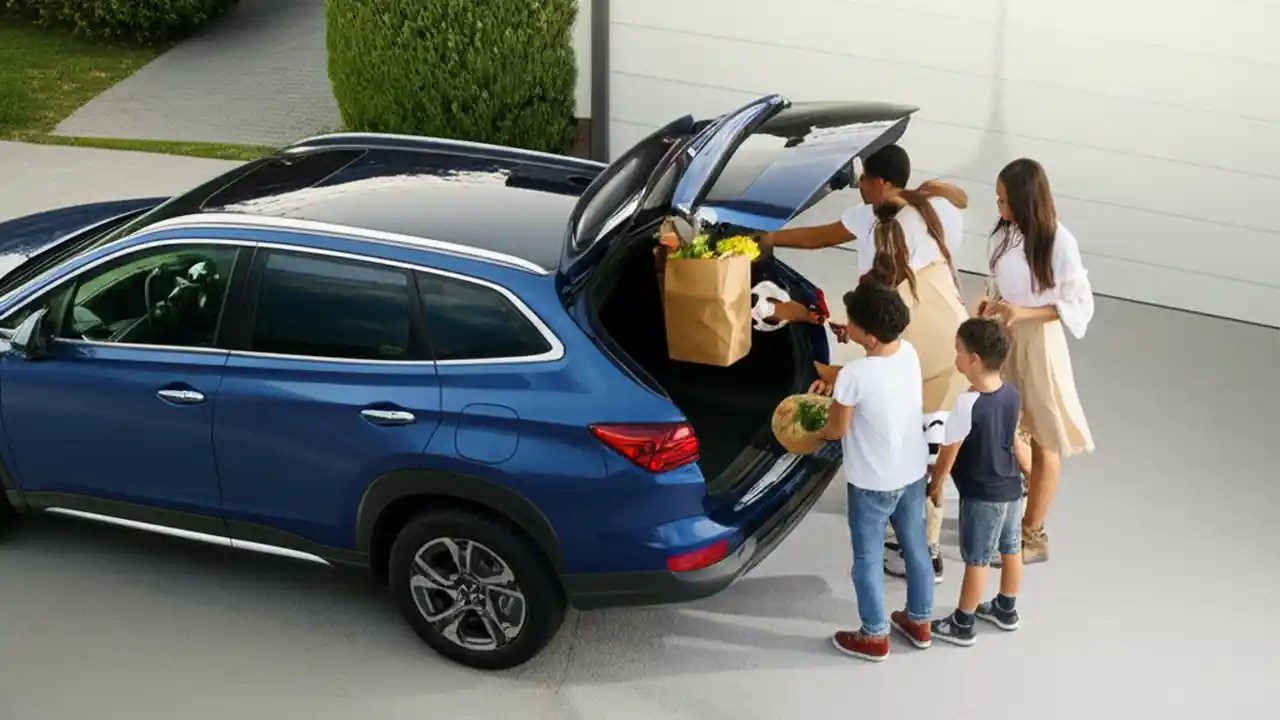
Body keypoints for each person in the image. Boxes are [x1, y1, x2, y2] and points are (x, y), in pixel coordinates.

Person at [767, 144, 969, 581]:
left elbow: (870, 375)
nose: (858, 184)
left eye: (863, 178)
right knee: (932, 439)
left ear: (879, 182)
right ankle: (925, 545)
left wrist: (828, 377)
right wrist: (772, 239)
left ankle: (920, 547)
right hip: (954, 334)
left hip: (923, 340)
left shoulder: (891, 246)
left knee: (911, 440)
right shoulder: (922, 211)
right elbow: (823, 235)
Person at [809, 281, 933, 662]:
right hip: (912, 472)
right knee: (916, 548)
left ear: (871, 338)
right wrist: (834, 372)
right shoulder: (908, 352)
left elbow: (836, 429)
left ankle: (874, 635)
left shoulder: (854, 377)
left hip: (871, 484)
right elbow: (870, 378)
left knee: (866, 558)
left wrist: (813, 430)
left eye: (852, 323)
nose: (847, 325)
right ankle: (920, 621)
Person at [979, 158, 1095, 564]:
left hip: (1039, 343)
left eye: (1004, 200)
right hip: (1006, 335)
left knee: (1046, 440)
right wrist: (994, 305)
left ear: (1024, 199)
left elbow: (1077, 304)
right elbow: (1008, 283)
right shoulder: (1010, 232)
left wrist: (1021, 313)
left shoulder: (1059, 241)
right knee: (1006, 424)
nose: (999, 208)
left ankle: (1033, 534)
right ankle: (1023, 497)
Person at [928, 318, 1024, 645]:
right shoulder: (1011, 395)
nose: (955, 355)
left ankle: (962, 623)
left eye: (958, 350)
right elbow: (1013, 440)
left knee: (978, 560)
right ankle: (1005, 609)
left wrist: (934, 485)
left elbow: (948, 454)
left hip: (982, 496)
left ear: (973, 359)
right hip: (1011, 488)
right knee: (1011, 549)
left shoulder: (966, 405)